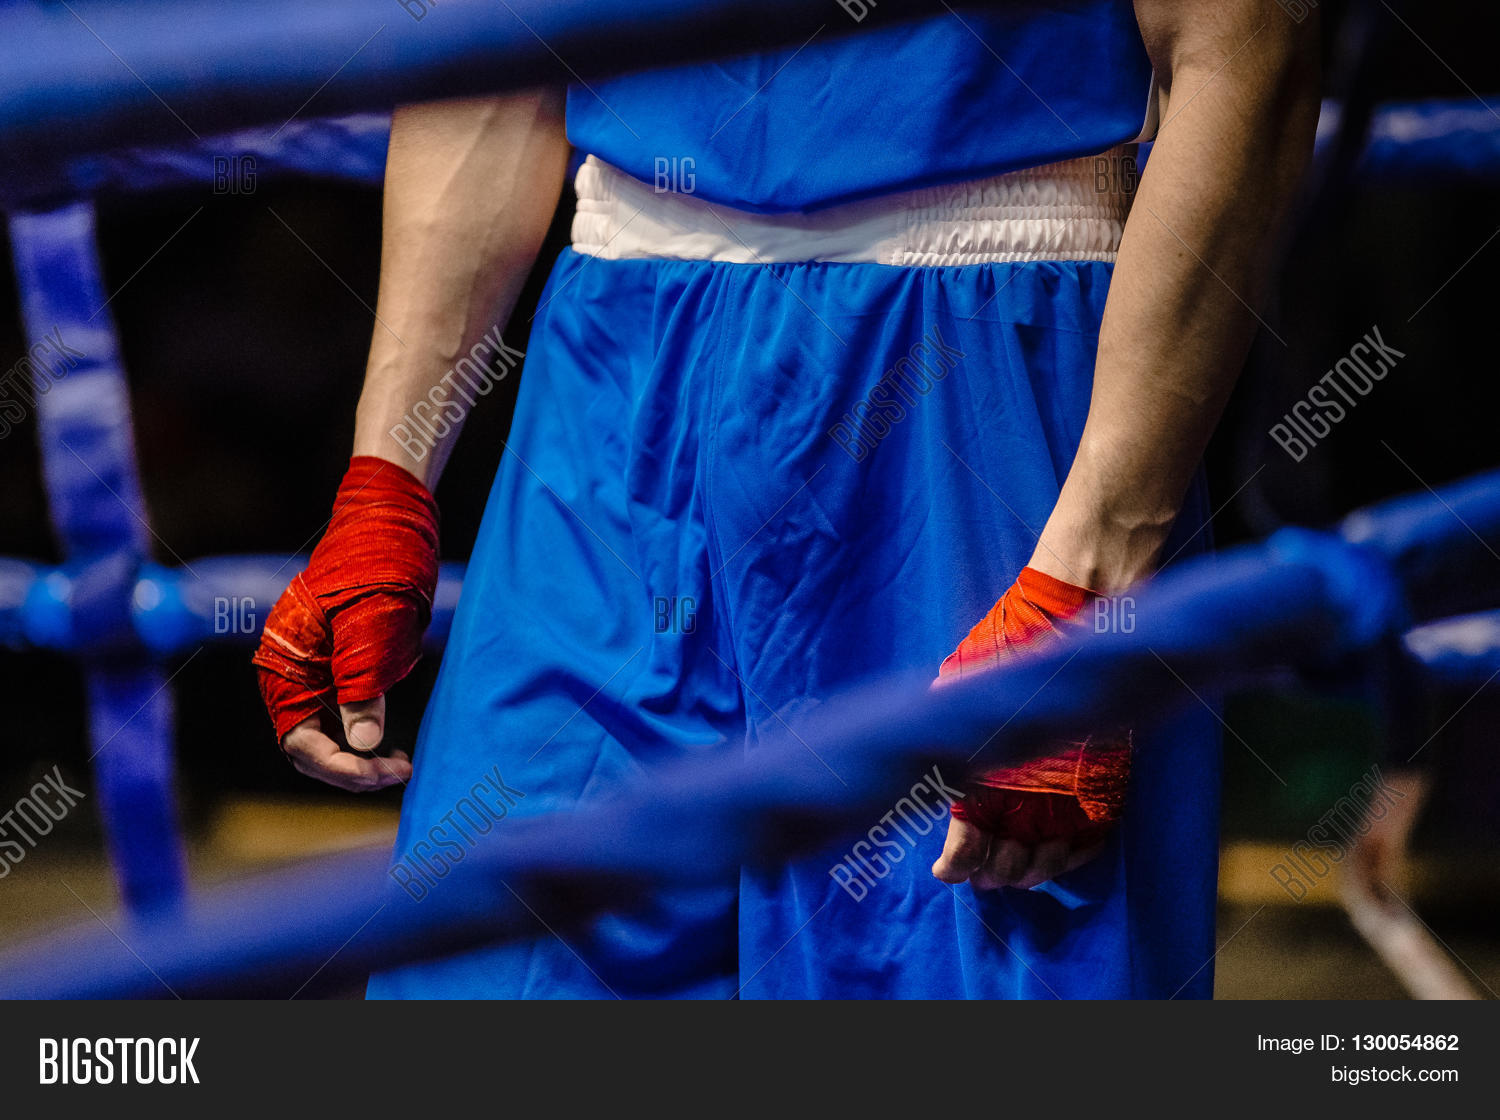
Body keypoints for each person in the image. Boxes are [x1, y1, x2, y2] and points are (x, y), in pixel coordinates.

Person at [253, 0, 1320, 998]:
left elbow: (1246, 47)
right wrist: (387, 478)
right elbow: (494, 52)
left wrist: (1091, 575)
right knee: (486, 978)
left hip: (973, 362)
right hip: (614, 369)